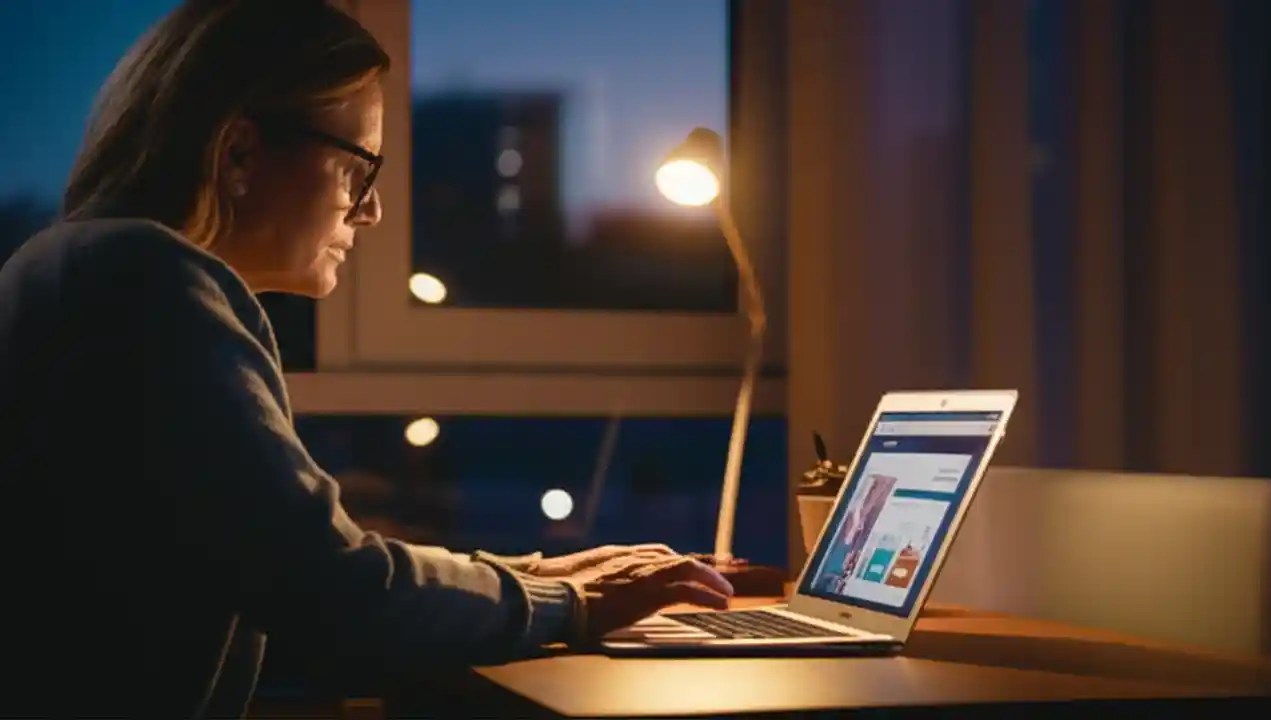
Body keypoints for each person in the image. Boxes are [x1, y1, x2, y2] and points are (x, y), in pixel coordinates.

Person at [0, 1, 732, 717]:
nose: (371, 212)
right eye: (358, 170)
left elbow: (271, 561)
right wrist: (565, 603)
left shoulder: (72, 268)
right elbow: (326, 588)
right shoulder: (149, 284)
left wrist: (522, 579)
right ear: (240, 153)